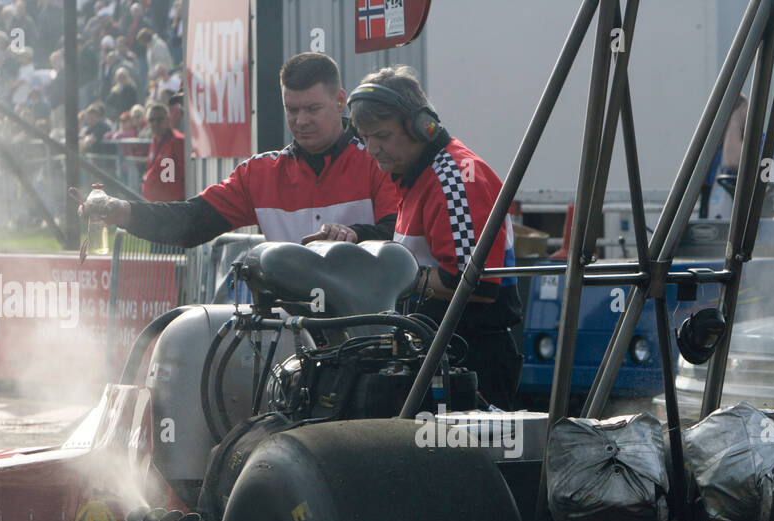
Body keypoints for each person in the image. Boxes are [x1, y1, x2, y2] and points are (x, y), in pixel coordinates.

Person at [74, 52, 398, 247]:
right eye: (292, 109)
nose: (300, 121)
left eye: (312, 109)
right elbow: (191, 222)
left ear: (340, 101)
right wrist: (120, 211)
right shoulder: (259, 174)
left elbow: (399, 237)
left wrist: (354, 235)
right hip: (290, 334)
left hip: (369, 331)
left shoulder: (378, 160)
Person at [347, 65, 523, 410]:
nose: (372, 149)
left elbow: (474, 284)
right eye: (365, 138)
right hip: (442, 351)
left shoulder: (456, 179)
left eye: (381, 136)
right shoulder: (416, 176)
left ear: (421, 126)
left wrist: (392, 277)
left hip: (470, 359)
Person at [141, 100, 184, 202]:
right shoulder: (155, 141)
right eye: (152, 120)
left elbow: (186, 175)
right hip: (155, 203)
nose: (155, 123)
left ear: (168, 120)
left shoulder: (178, 141)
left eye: (160, 119)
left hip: (173, 205)